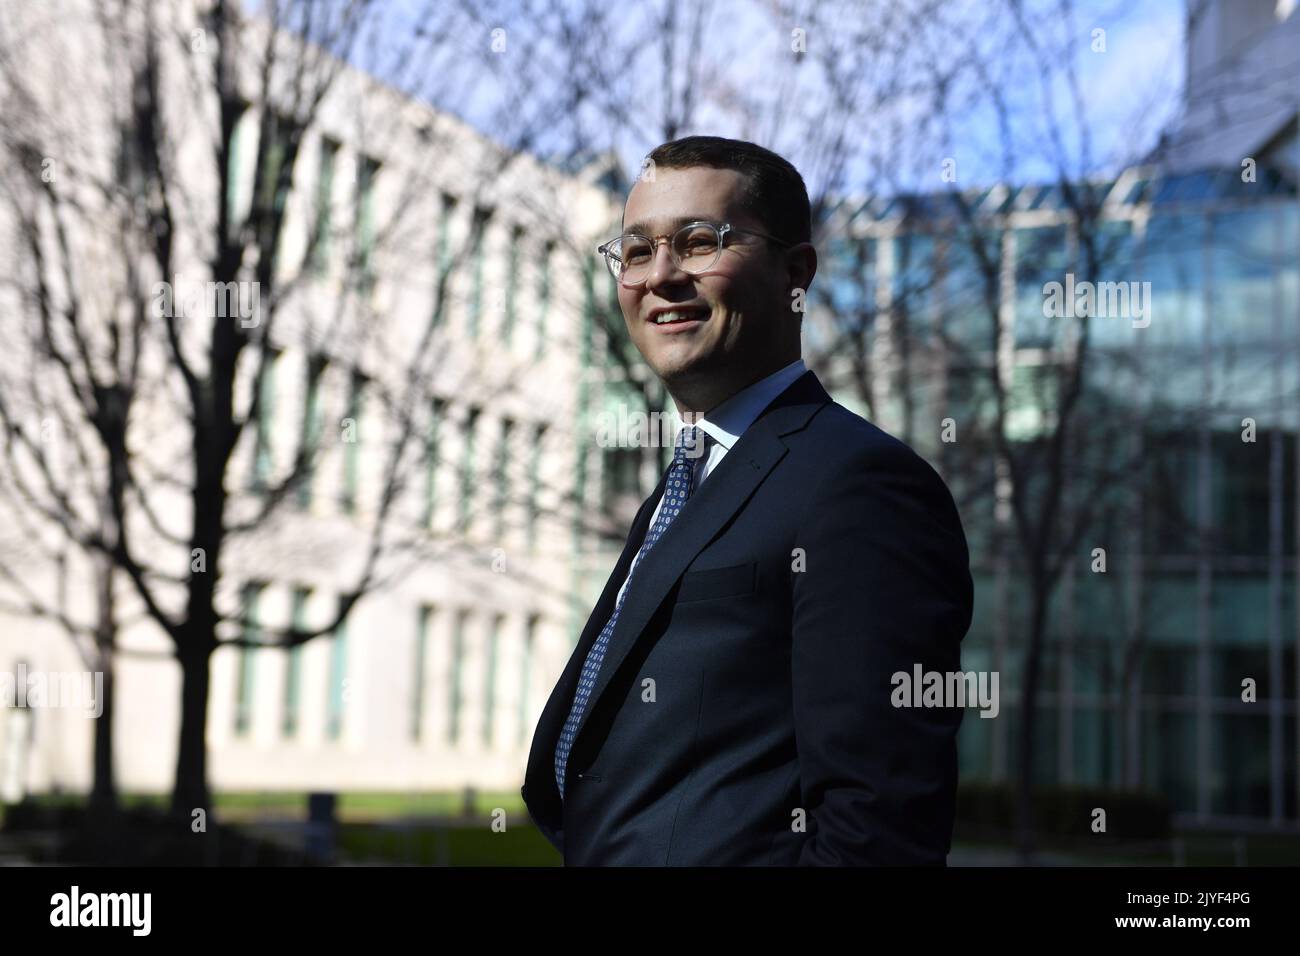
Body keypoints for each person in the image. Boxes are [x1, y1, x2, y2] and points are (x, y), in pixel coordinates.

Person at [521, 135, 973, 865]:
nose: (660, 275)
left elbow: (878, 834)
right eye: (635, 251)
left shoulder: (863, 490)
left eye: (699, 242)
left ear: (796, 272)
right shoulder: (686, 485)